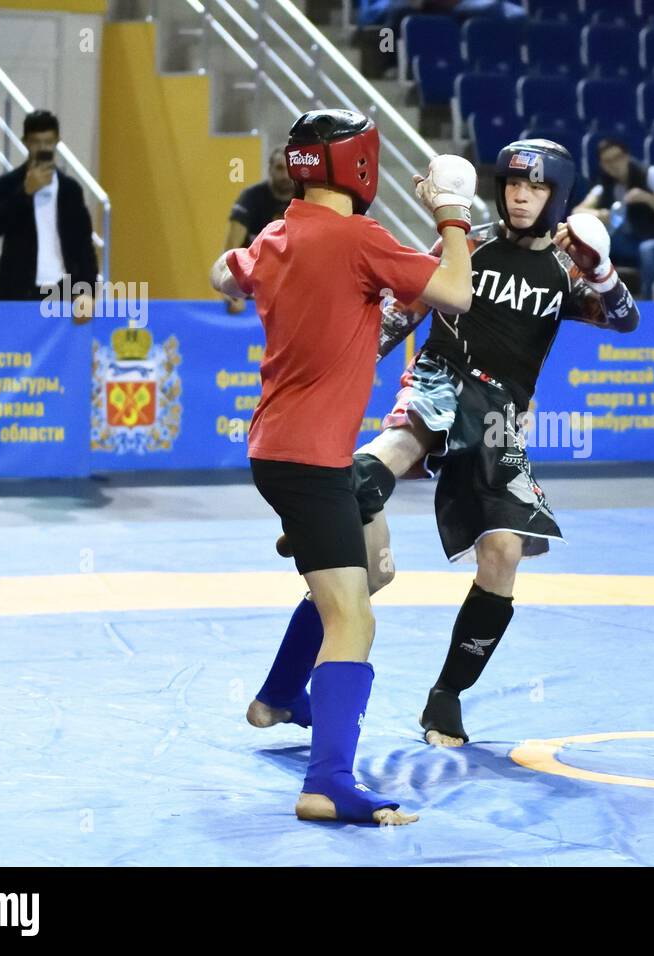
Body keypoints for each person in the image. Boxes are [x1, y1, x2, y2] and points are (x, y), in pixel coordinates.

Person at [271, 138, 640, 748]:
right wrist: (333, 368)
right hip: (442, 378)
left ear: (558, 194)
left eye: (537, 186)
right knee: (397, 445)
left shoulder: (569, 264)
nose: (521, 196)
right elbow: (398, 314)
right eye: (513, 183)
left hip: (498, 414)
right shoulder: (467, 243)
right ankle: (323, 503)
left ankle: (447, 695)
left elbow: (624, 319)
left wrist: (603, 268)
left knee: (503, 553)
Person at [212, 108, 475, 824]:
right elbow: (456, 292)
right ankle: (327, 783)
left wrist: (254, 280)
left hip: (280, 450)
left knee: (373, 572)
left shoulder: (275, 233)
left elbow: (222, 275)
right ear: (360, 166)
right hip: (310, 460)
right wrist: (452, 211)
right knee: (353, 621)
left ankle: (279, 697)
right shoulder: (361, 238)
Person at [0, 110, 97, 321]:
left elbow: (83, 245)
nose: (43, 148)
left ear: (57, 142)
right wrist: (24, 192)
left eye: (49, 142)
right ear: (25, 142)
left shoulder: (70, 190)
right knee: (14, 353)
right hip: (17, 288)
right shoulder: (8, 184)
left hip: (63, 291)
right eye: (36, 142)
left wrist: (87, 291)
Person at [572, 138, 654, 299]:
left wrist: (647, 198)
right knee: (589, 243)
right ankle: (590, 296)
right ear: (602, 165)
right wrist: (599, 214)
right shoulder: (604, 184)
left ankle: (647, 298)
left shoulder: (651, 173)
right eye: (608, 161)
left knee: (648, 249)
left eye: (618, 157)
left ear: (627, 156)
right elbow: (577, 211)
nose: (614, 164)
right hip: (628, 240)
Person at [222, 147, 295, 314]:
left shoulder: (306, 197)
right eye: (279, 168)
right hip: (252, 292)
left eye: (289, 169)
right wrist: (232, 292)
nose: (284, 175)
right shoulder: (251, 197)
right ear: (269, 170)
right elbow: (230, 249)